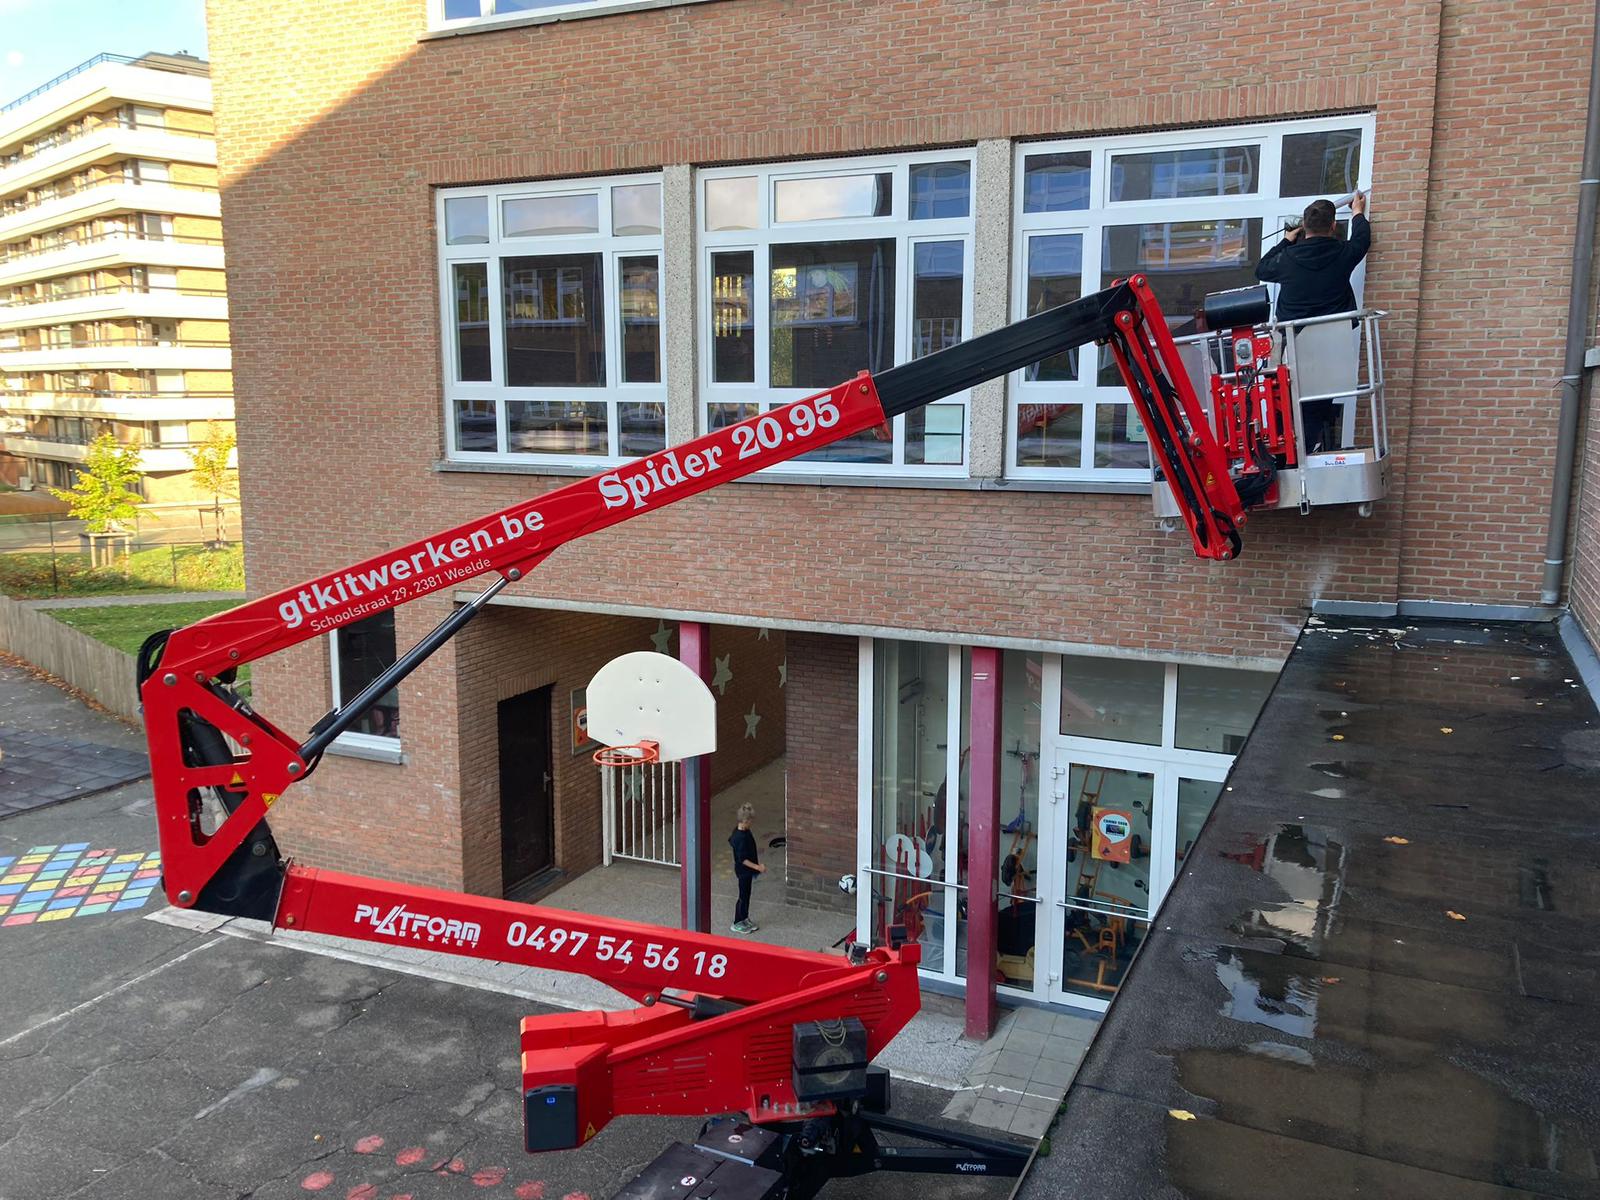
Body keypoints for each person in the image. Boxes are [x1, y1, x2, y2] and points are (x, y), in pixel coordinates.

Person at [1255, 191, 1370, 451]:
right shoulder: (1343, 253)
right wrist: (1358, 213)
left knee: (1287, 400)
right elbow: (1362, 240)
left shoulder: (1289, 258)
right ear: (1333, 226)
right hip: (1330, 342)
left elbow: (1262, 268)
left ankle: (1289, 450)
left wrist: (1285, 241)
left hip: (1292, 343)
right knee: (1318, 402)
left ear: (1303, 227)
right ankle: (1309, 446)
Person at [728, 802, 765, 934]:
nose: (751, 824)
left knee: (746, 894)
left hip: (747, 872)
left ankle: (744, 917)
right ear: (745, 821)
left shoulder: (743, 832)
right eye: (750, 821)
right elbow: (743, 859)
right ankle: (738, 921)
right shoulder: (740, 838)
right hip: (744, 872)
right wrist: (758, 867)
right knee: (743, 896)